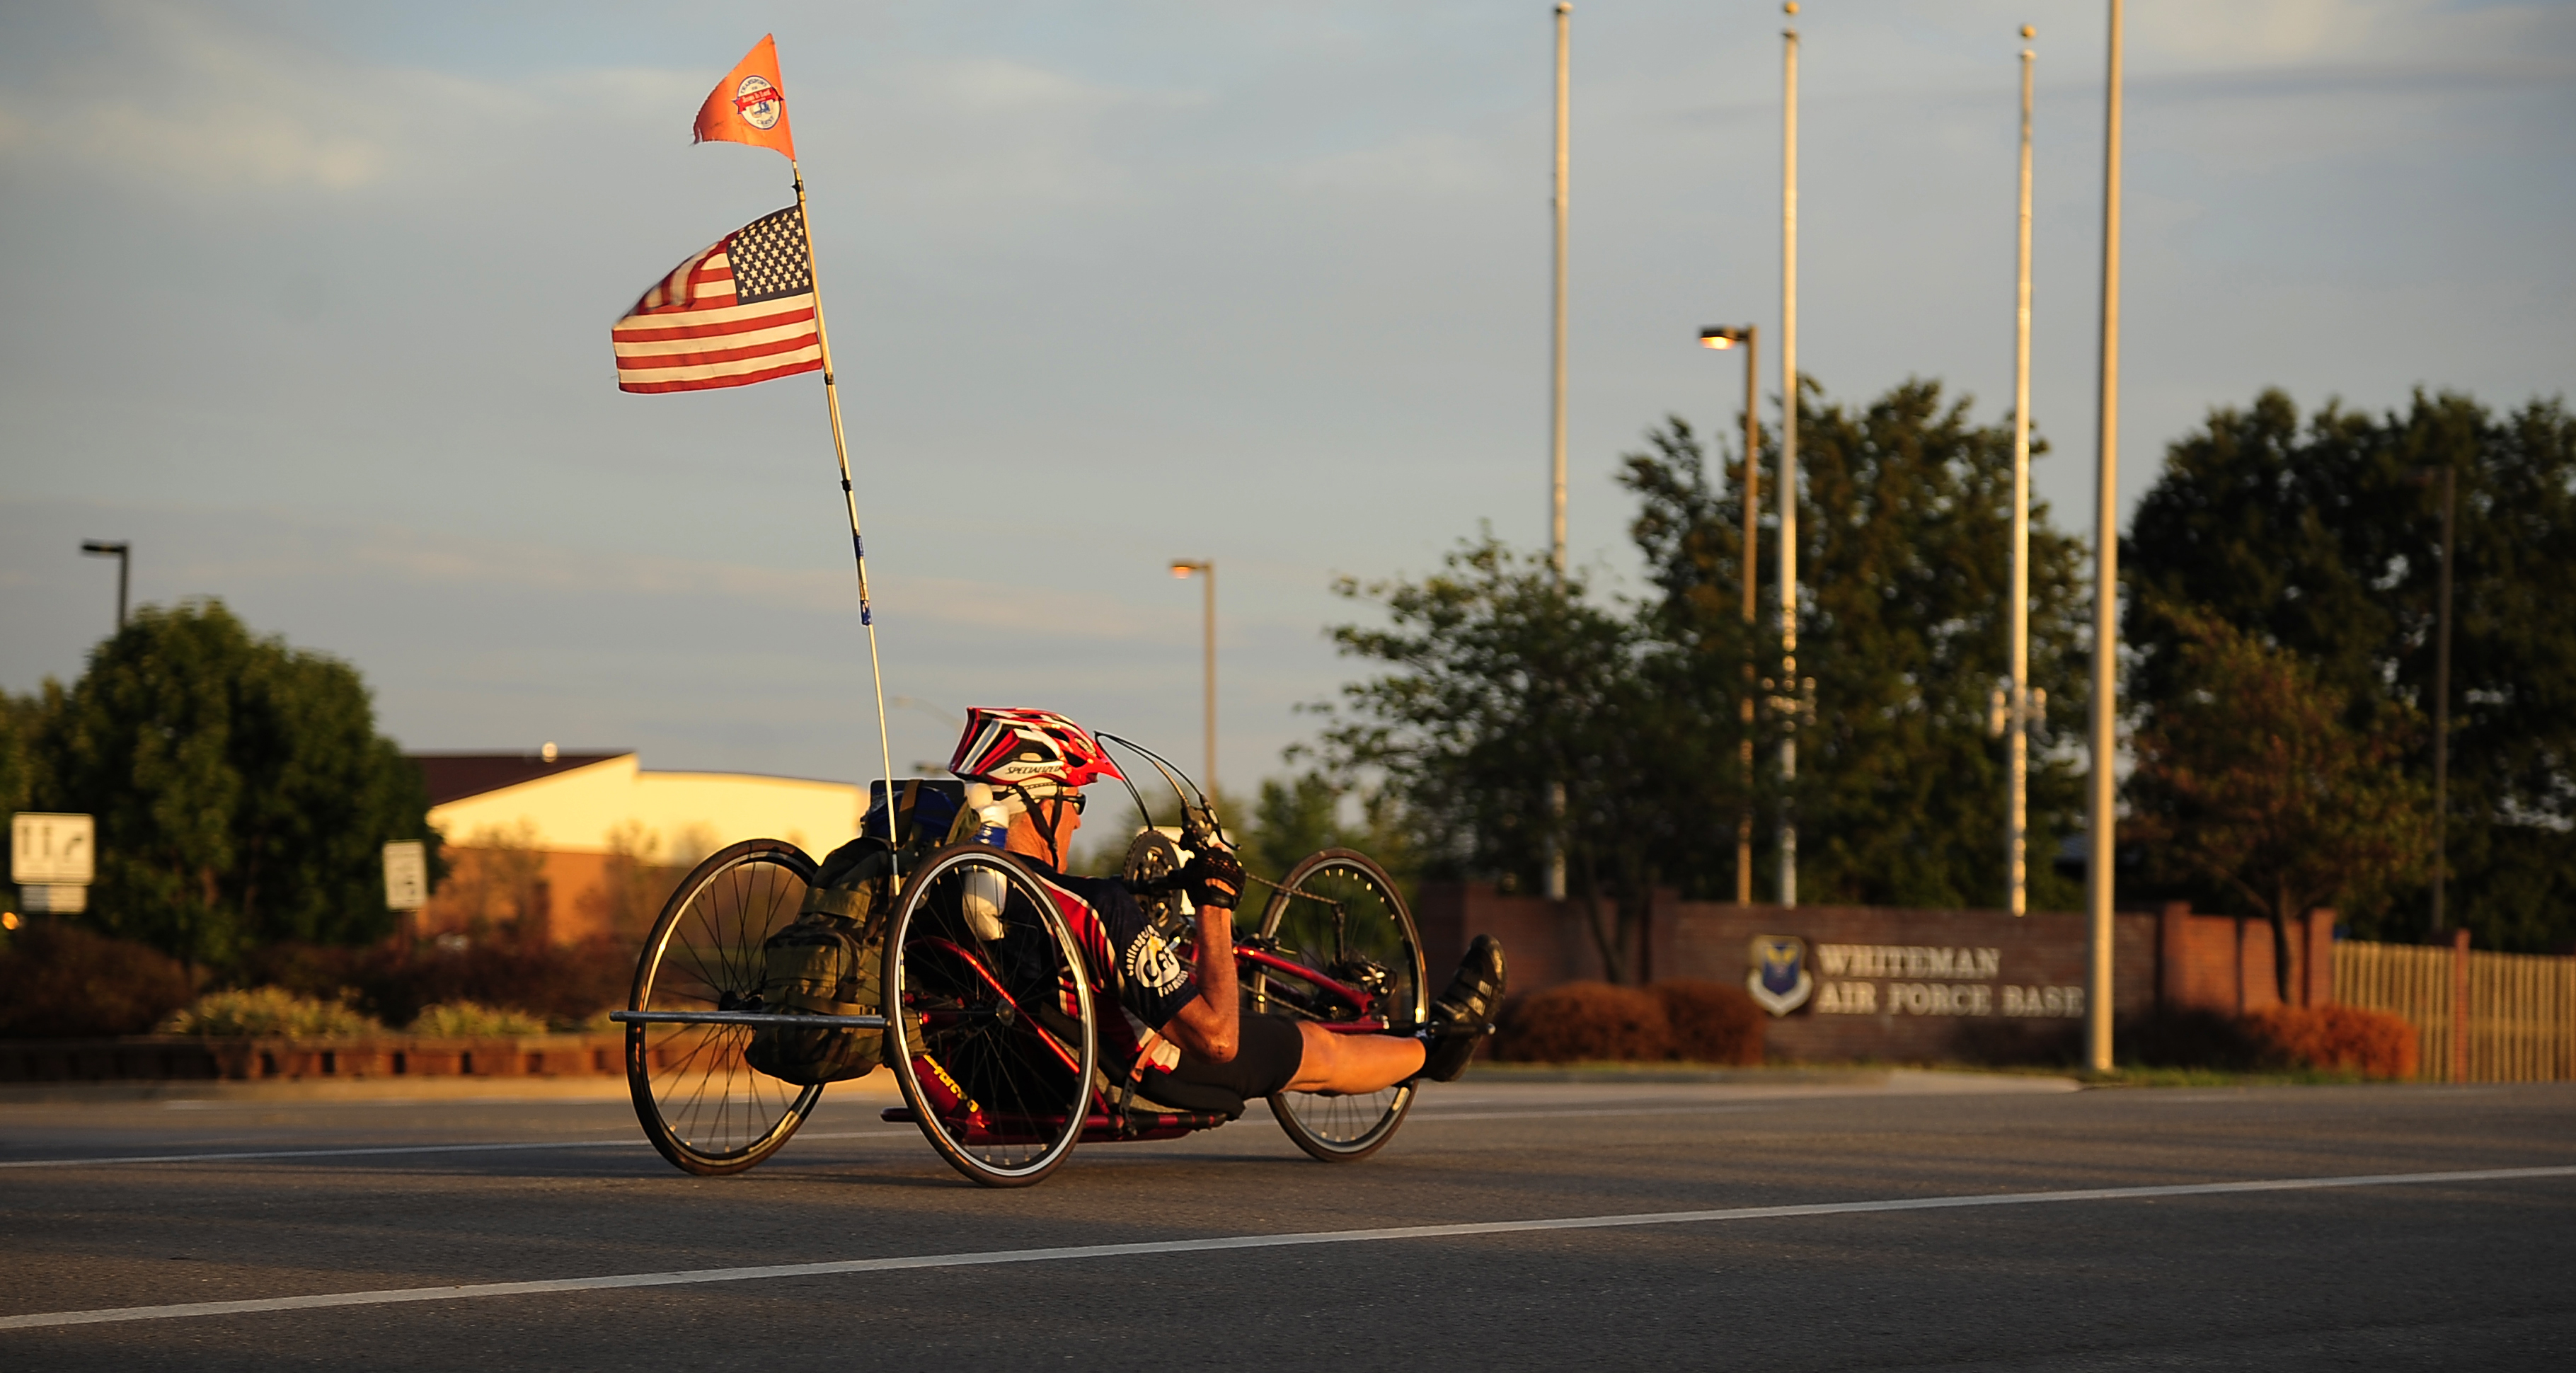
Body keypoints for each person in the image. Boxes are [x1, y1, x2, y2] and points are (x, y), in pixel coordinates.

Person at [947, 707, 1506, 1110]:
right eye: (1077, 800)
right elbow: (1218, 1041)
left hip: (1016, 1075)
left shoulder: (938, 894)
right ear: (1040, 801)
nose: (1078, 820)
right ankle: (1435, 1047)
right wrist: (1215, 903)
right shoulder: (1091, 908)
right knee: (1317, 1049)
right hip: (1159, 1066)